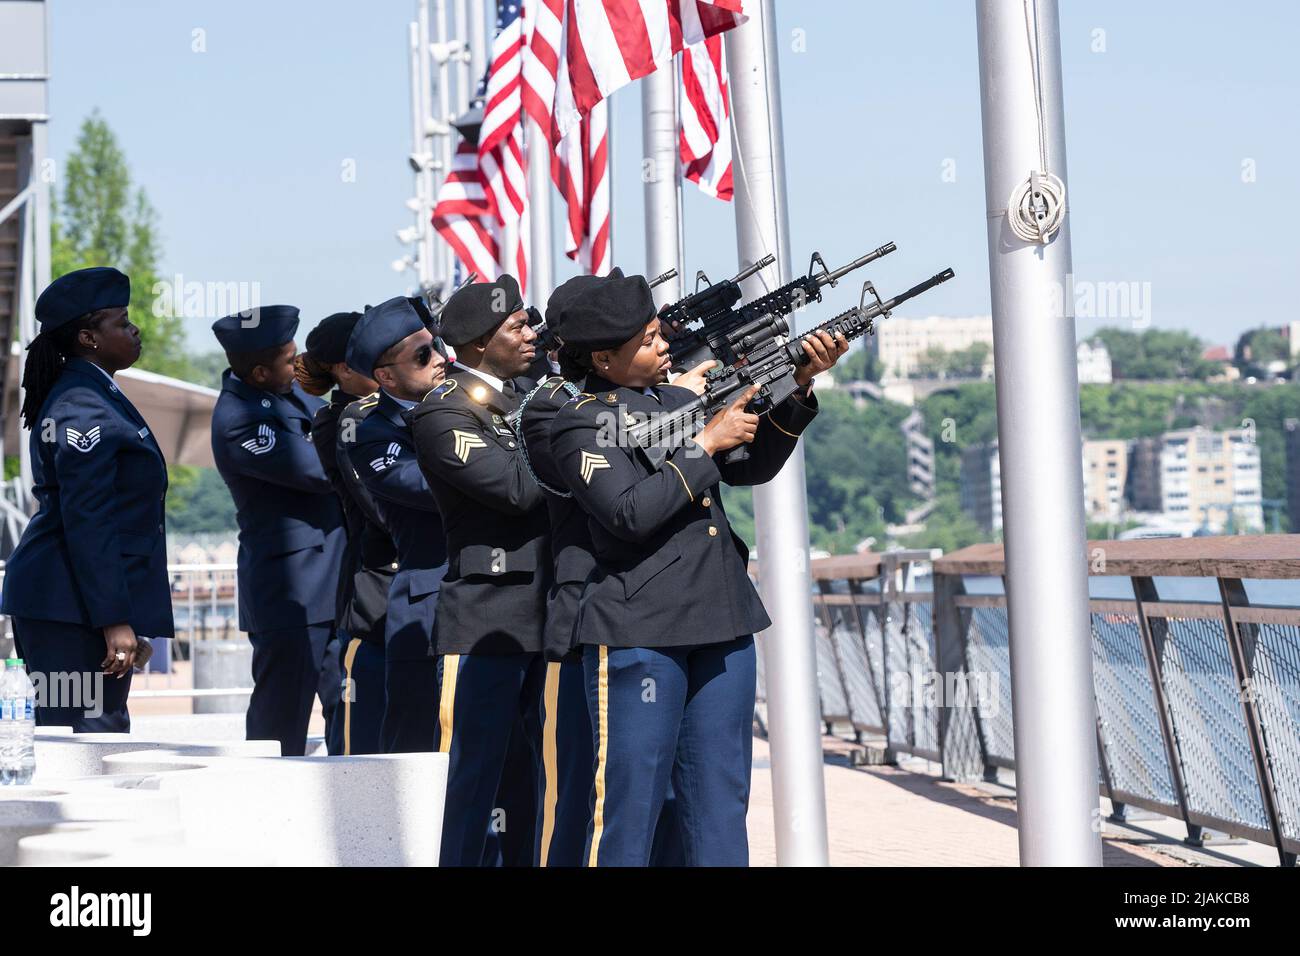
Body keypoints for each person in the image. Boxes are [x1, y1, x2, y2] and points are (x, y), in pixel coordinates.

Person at [549, 272, 848, 866]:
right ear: (604, 358)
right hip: (640, 629)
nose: (664, 345)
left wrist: (798, 387)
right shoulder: (578, 423)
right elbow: (627, 513)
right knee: (629, 807)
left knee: (720, 801)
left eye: (660, 333)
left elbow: (749, 468)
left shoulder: (679, 401)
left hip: (720, 616)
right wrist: (704, 445)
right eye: (647, 339)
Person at [406, 274, 549, 867]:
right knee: (473, 778)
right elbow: (518, 489)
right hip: (486, 616)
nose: (530, 334)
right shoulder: (442, 415)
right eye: (516, 327)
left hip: (537, 609)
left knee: (526, 779)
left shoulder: (522, 399)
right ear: (475, 345)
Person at [1, 267, 172, 731]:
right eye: (121, 322)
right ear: (87, 337)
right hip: (67, 605)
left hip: (78, 602)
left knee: (101, 731)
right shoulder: (82, 404)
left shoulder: (98, 393)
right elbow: (88, 519)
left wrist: (124, 617)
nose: (134, 330)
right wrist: (114, 619)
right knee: (86, 743)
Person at [210, 305, 345, 756]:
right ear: (261, 371)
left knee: (347, 711)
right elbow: (321, 469)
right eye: (290, 360)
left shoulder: (288, 394)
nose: (300, 364)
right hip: (291, 592)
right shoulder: (239, 419)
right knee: (279, 722)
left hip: (334, 579)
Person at [344, 296, 448, 754]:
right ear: (385, 376)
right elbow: (438, 488)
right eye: (423, 355)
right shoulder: (372, 432)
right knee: (415, 753)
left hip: (492, 601)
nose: (441, 359)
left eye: (438, 345)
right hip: (427, 607)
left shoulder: (463, 399)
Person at [296, 311, 391, 755]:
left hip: (401, 590)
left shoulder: (384, 411)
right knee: (361, 740)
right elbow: (382, 508)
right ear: (344, 368)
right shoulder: (342, 422)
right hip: (377, 589)